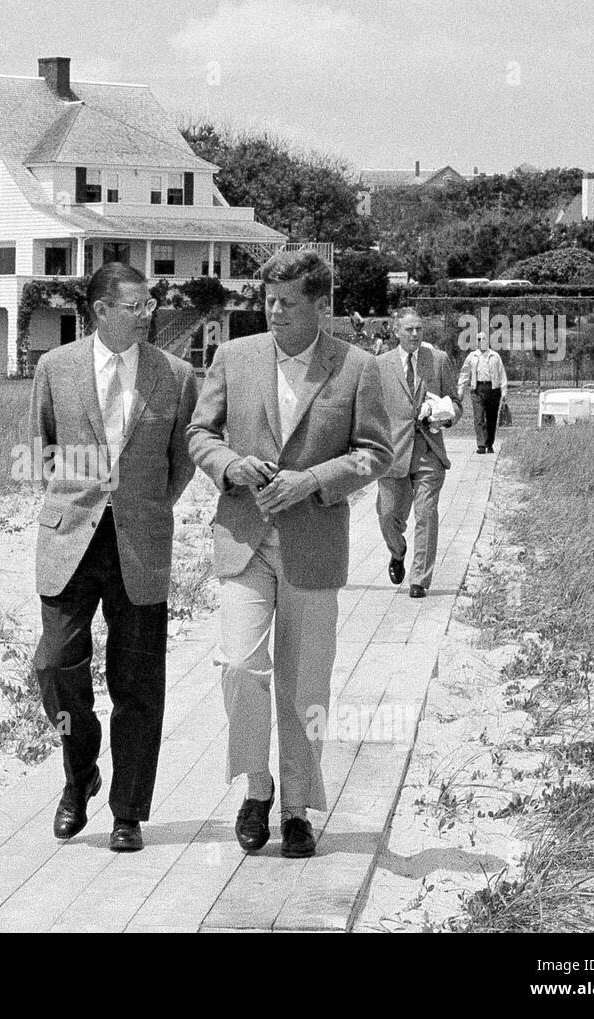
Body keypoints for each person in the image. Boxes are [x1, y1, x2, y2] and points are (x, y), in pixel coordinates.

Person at [187, 251, 392, 858]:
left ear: (321, 306)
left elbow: (374, 453)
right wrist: (230, 466)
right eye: (268, 300)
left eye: (288, 302)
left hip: (314, 544)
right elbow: (202, 434)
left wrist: (312, 480)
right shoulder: (234, 357)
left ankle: (298, 807)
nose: (274, 311)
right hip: (244, 540)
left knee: (307, 682)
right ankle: (256, 788)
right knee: (241, 667)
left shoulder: (357, 367)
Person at [30, 261, 199, 853]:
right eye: (135, 305)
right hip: (69, 539)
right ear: (101, 309)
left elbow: (182, 463)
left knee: (139, 684)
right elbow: (42, 449)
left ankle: (128, 811)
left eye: (149, 303)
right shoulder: (55, 368)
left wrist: (142, 507)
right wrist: (78, 499)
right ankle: (80, 773)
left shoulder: (177, 375)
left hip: (140, 543)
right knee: (54, 665)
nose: (147, 312)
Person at [375, 307, 463, 599]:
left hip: (428, 451)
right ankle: (397, 553)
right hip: (393, 453)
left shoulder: (437, 360)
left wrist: (445, 416)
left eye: (419, 329)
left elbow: (456, 402)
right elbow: (370, 412)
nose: (415, 334)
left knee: (426, 514)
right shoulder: (380, 365)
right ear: (396, 331)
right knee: (389, 515)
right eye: (409, 329)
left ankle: (419, 579)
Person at [457, 332, 507, 453]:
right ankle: (481, 445)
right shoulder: (472, 356)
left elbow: (502, 373)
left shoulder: (495, 356)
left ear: (487, 341)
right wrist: (461, 389)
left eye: (483, 339)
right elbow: (465, 372)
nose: (481, 341)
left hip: (493, 389)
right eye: (479, 339)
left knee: (491, 418)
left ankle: (489, 443)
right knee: (479, 418)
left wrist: (504, 390)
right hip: (477, 389)